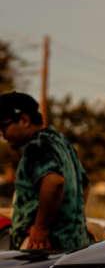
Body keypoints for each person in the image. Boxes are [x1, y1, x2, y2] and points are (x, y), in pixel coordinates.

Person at [0, 92, 89, 251]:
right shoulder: (62, 142)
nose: (1, 133)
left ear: (24, 120)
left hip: (41, 246)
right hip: (72, 247)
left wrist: (41, 227)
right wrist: (71, 225)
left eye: (3, 126)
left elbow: (54, 181)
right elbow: (85, 185)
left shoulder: (37, 145)